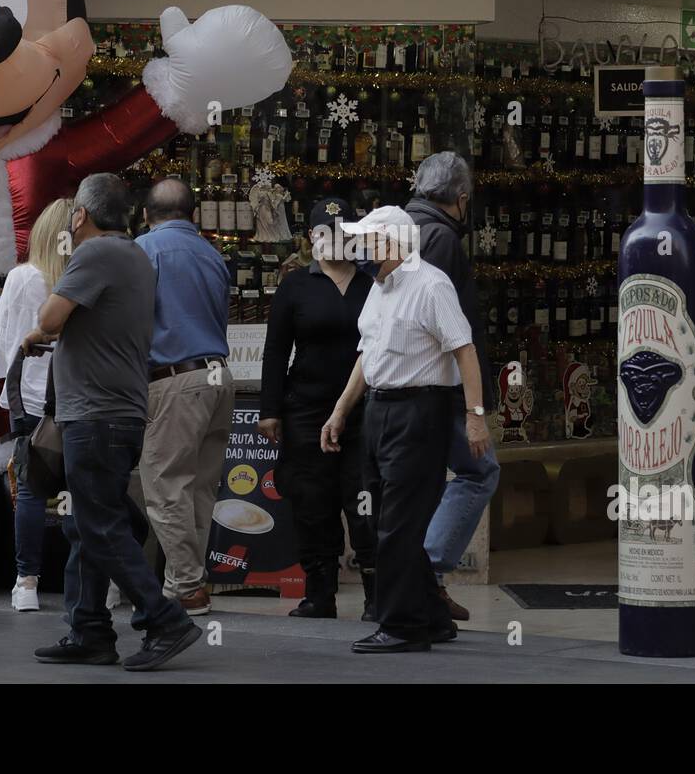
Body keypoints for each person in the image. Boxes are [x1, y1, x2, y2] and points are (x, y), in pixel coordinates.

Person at [26, 173, 199, 671]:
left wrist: (41, 327)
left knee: (99, 525)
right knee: (87, 524)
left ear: (80, 215)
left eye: (72, 213)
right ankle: (89, 629)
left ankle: (163, 619)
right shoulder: (136, 256)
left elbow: (51, 316)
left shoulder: (96, 255)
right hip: (117, 411)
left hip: (96, 414)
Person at [322, 206, 491, 653]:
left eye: (367, 240)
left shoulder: (432, 284)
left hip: (420, 411)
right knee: (384, 518)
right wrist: (341, 410)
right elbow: (368, 353)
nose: (357, 249)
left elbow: (464, 349)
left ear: (393, 242)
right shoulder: (379, 288)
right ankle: (431, 616)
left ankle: (402, 624)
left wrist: (475, 415)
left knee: (397, 524)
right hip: (380, 409)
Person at [259, 197, 377, 619]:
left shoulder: (373, 284)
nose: (334, 240)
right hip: (306, 412)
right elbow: (276, 352)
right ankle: (319, 594)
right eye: (325, 233)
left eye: (344, 233)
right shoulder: (295, 285)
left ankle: (375, 597)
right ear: (312, 238)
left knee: (363, 501)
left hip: (363, 413)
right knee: (312, 504)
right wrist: (270, 410)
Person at [406, 152, 501, 621]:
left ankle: (426, 582)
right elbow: (448, 329)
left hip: (411, 386)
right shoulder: (440, 238)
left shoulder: (402, 229)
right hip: (442, 385)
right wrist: (474, 407)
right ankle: (427, 572)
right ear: (461, 199)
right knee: (479, 472)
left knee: (421, 484)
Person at [134, 177, 235, 615]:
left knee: (166, 486)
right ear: (192, 213)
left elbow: (132, 319)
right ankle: (185, 583)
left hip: (175, 378)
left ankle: (189, 587)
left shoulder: (145, 251)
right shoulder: (212, 254)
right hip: (217, 377)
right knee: (198, 488)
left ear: (145, 215)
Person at [0, 197, 73, 612]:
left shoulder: (22, 278)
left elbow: (2, 350)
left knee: (30, 491)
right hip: (75, 400)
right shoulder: (80, 279)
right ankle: (99, 580)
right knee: (83, 490)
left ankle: (26, 583)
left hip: (27, 403)